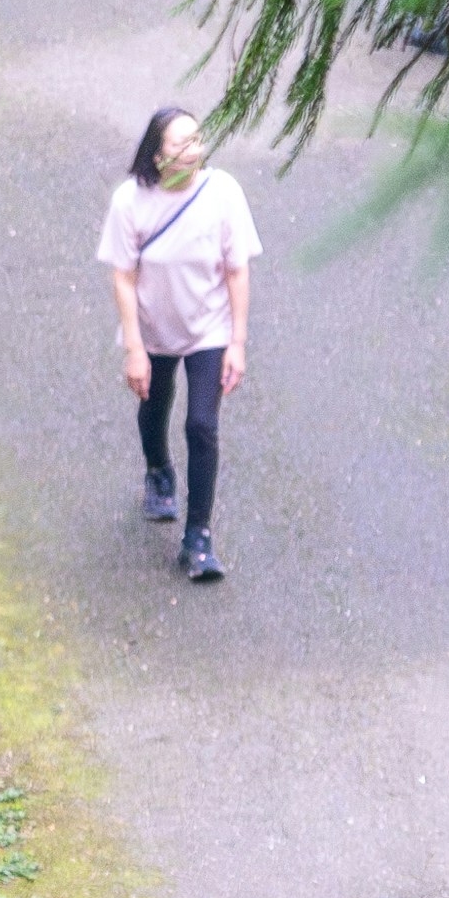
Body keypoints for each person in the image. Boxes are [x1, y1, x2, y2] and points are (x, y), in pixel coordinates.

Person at [98, 105, 256, 583]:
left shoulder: (223, 192)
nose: (193, 152)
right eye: (180, 145)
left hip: (208, 327)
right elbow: (123, 276)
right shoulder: (132, 201)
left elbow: (237, 269)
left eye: (197, 141)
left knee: (202, 425)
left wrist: (237, 341)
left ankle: (198, 539)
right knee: (155, 402)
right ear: (157, 153)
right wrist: (133, 347)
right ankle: (158, 469)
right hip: (153, 326)